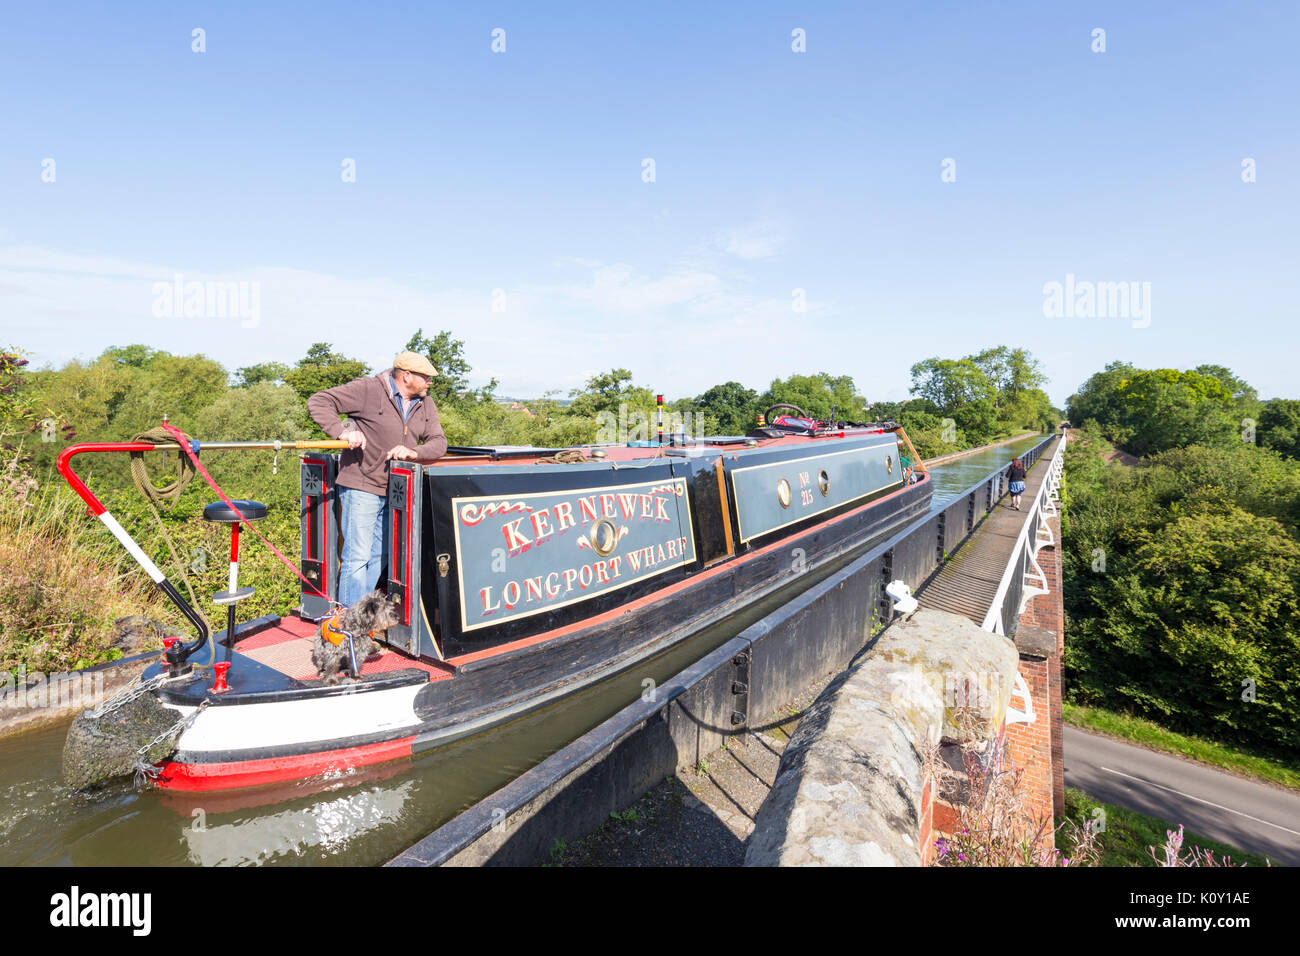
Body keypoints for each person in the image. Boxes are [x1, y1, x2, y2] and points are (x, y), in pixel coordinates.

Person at [307, 351, 448, 606]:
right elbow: (319, 401)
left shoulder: (425, 404)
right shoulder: (368, 390)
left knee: (379, 555)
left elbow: (439, 443)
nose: (430, 382)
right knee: (357, 557)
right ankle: (350, 627)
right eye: (426, 377)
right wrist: (341, 432)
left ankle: (360, 614)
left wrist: (414, 452)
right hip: (361, 485)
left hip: (396, 489)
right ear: (406, 376)